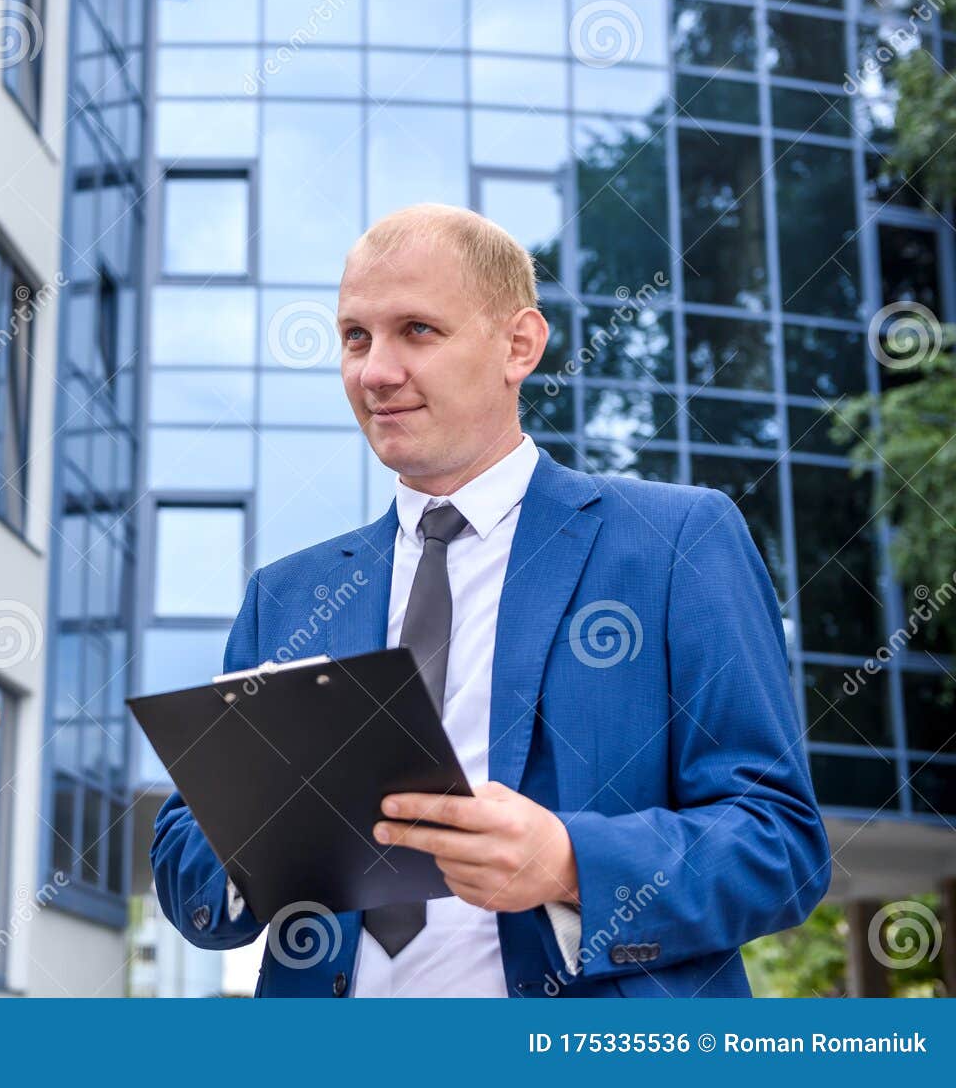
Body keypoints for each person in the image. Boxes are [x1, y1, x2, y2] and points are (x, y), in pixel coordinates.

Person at [151, 204, 830, 997]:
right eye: (355, 337)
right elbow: (184, 863)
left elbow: (780, 844)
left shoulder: (672, 543)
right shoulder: (286, 595)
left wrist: (569, 864)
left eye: (418, 331)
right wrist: (256, 829)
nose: (375, 372)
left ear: (520, 346)